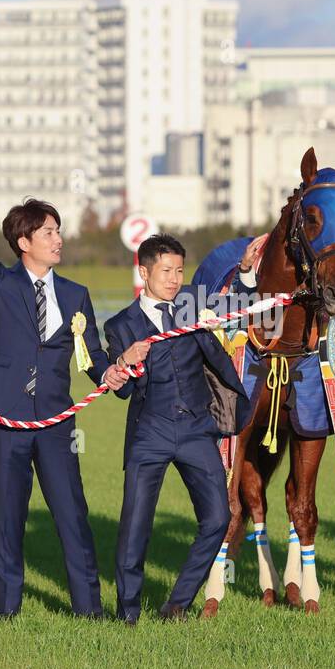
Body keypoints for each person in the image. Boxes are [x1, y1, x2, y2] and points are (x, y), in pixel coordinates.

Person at [0, 171, 110, 619]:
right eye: (48, 232)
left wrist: (112, 373)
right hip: (5, 417)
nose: (58, 239)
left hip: (56, 422)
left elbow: (90, 355)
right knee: (8, 519)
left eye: (58, 231)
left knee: (72, 516)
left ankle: (89, 609)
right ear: (24, 241)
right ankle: (5, 611)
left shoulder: (76, 294)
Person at [102, 234, 252, 624]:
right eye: (166, 270)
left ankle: (177, 606)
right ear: (144, 272)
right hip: (149, 431)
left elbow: (241, 304)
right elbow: (123, 392)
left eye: (179, 270)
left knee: (219, 519)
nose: (174, 279)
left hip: (196, 429)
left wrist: (247, 274)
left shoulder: (192, 310)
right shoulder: (121, 324)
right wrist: (126, 361)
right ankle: (128, 615)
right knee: (135, 527)